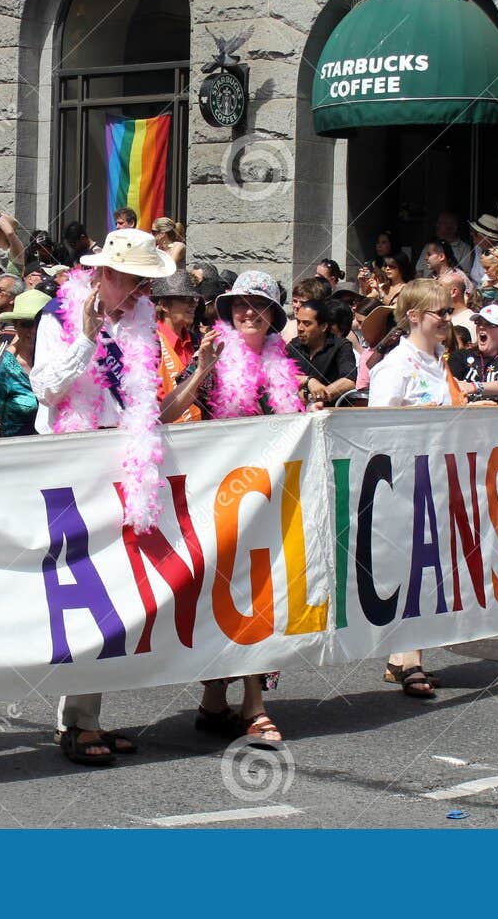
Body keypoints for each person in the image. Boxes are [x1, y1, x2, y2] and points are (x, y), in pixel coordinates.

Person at [31, 228, 174, 765]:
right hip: (69, 464)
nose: (141, 290)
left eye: (145, 282)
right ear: (104, 274)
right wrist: (87, 339)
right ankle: (77, 722)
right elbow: (46, 390)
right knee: (80, 589)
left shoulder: (141, 321)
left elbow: (145, 402)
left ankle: (86, 716)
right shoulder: (58, 317)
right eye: (132, 280)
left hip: (120, 465)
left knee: (113, 590)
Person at [159, 271, 301, 744]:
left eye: (258, 306)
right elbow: (166, 413)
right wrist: (199, 369)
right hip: (220, 496)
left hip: (271, 497)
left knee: (263, 591)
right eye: (239, 304)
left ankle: (246, 702)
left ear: (273, 316)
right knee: (224, 597)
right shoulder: (214, 357)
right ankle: (221, 698)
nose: (247, 313)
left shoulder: (286, 364)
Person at [366, 278, 465, 698]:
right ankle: (410, 661)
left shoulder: (441, 362)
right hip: (403, 482)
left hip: (437, 480)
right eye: (438, 312)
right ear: (413, 317)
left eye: (448, 311)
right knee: (411, 569)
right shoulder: (395, 366)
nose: (446, 318)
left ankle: (403, 657)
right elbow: (376, 427)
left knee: (429, 570)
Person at [0, 289, 47, 438]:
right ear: (15, 327)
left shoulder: (59, 361)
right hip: (17, 452)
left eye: (39, 322)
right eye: (26, 324)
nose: (33, 330)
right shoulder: (3, 367)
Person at [152, 269, 203, 424]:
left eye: (194, 299)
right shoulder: (149, 342)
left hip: (201, 438)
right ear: (164, 305)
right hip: (163, 436)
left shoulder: (198, 342)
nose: (193, 304)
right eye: (186, 299)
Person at [287, 298, 357, 406]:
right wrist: (308, 381)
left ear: (323, 327)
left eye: (307, 323)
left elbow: (349, 381)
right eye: (298, 322)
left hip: (330, 415)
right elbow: (279, 375)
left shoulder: (341, 346)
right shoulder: (293, 346)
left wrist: (318, 396)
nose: (300, 328)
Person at [451, 303, 498, 399]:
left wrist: (473, 387)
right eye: (478, 323)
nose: (481, 327)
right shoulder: (461, 356)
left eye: (489, 324)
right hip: (467, 412)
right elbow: (451, 384)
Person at [465, 213, 498, 286]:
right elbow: (475, 277)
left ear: (485, 237)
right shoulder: (479, 248)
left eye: (475, 233)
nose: (471, 234)